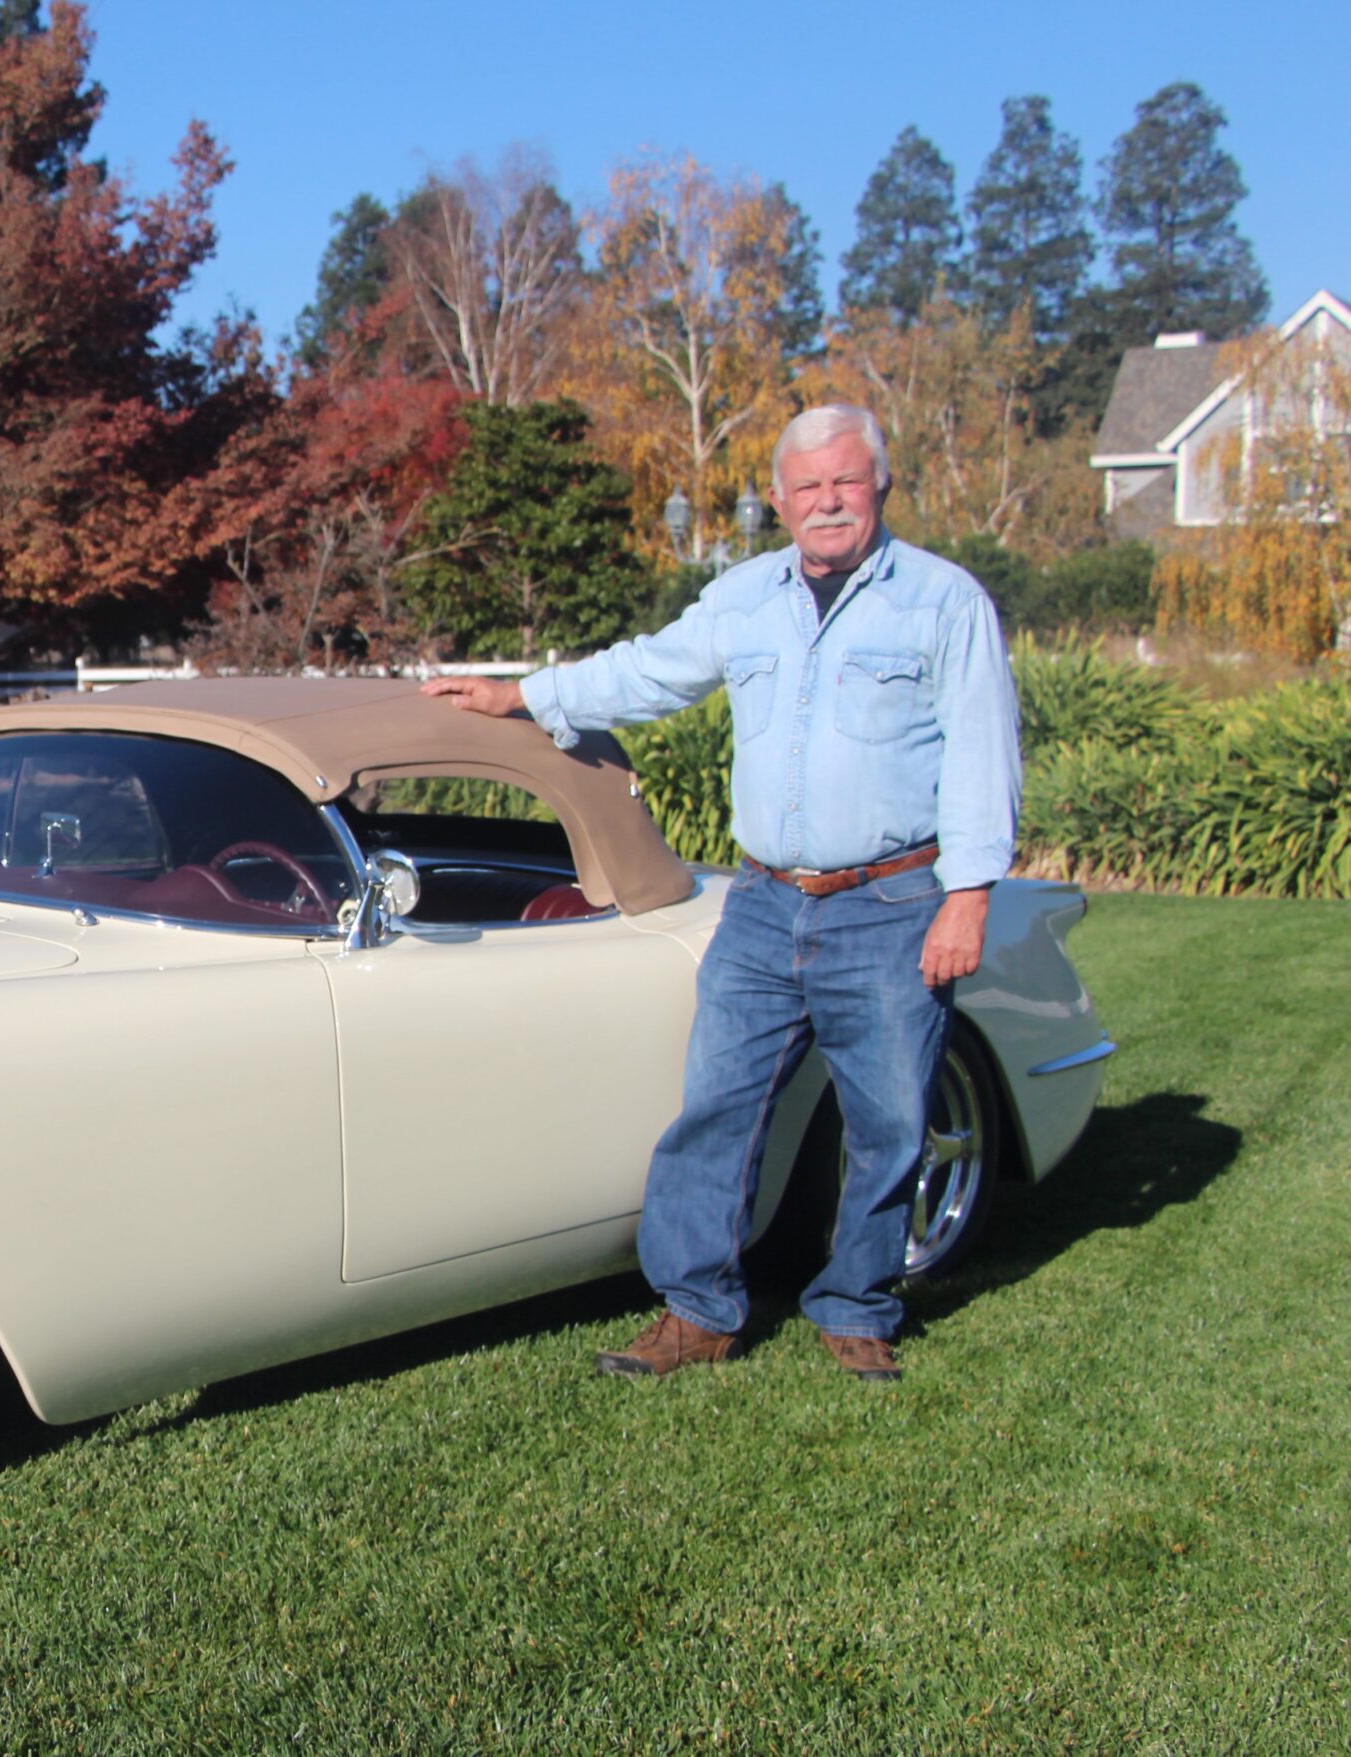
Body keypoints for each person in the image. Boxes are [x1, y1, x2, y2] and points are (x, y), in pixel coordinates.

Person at [423, 404, 1020, 1384]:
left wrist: (968, 894)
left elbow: (981, 749)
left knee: (889, 1120)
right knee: (715, 1106)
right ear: (779, 499)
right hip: (763, 903)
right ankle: (697, 1308)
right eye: (808, 486)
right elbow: (651, 671)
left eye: (846, 481)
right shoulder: (744, 596)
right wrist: (524, 695)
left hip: (889, 903)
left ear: (880, 487)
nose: (827, 501)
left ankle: (856, 1303)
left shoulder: (941, 602)